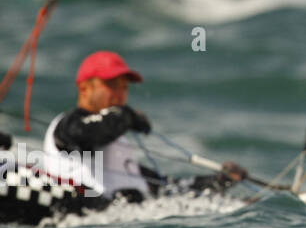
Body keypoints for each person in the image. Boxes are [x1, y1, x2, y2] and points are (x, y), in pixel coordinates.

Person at [43, 51, 246, 206]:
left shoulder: (117, 144)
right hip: (78, 213)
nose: (120, 95)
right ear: (85, 88)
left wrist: (221, 181)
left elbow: (166, 188)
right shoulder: (66, 125)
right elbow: (89, 133)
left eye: (124, 87)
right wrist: (126, 116)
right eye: (112, 85)